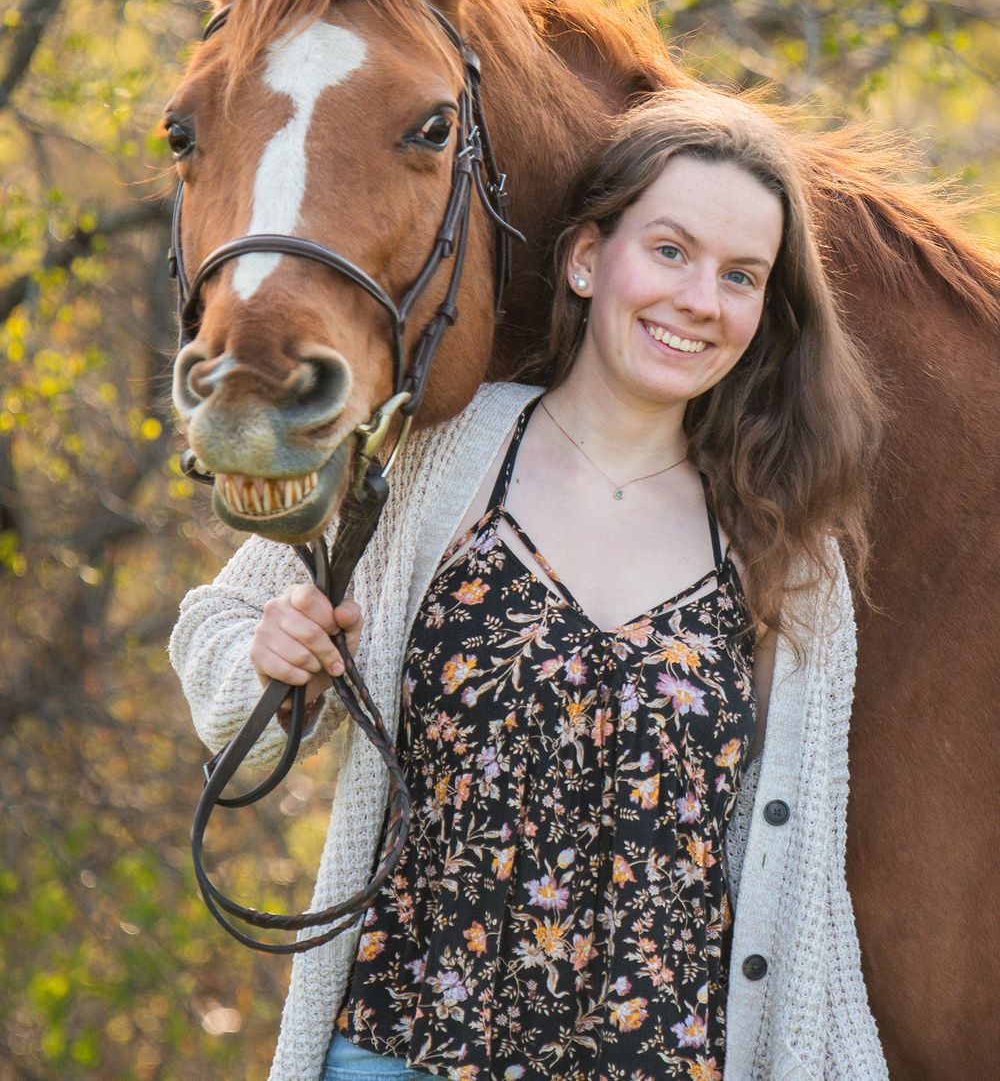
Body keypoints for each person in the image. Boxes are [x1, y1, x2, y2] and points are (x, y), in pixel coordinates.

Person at [170, 90, 890, 1081]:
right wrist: (270, 656)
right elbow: (218, 619)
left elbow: (803, 888)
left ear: (764, 312)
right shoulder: (440, 458)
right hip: (401, 1050)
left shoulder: (781, 548)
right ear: (587, 260)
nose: (698, 299)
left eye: (740, 276)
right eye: (670, 251)